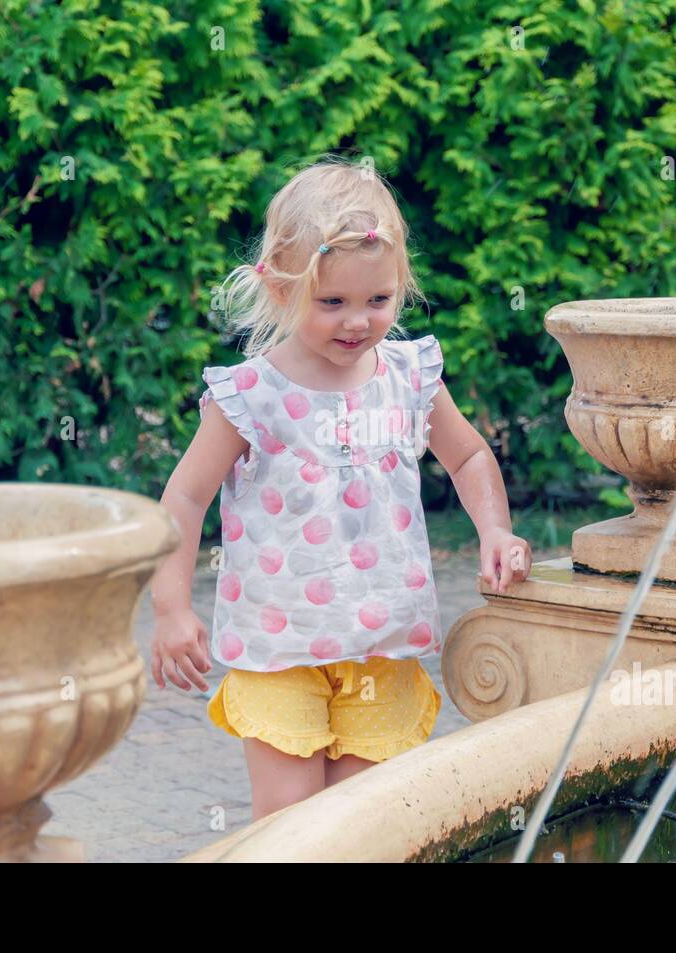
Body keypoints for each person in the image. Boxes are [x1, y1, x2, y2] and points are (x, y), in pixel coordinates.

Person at [150, 157, 531, 820]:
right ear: (279, 289)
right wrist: (171, 608)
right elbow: (184, 498)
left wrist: (494, 529)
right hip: (278, 651)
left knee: (367, 825)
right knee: (293, 828)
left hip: (383, 648)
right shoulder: (252, 396)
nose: (357, 321)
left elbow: (468, 457)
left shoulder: (409, 375)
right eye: (332, 302)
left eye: (377, 300)